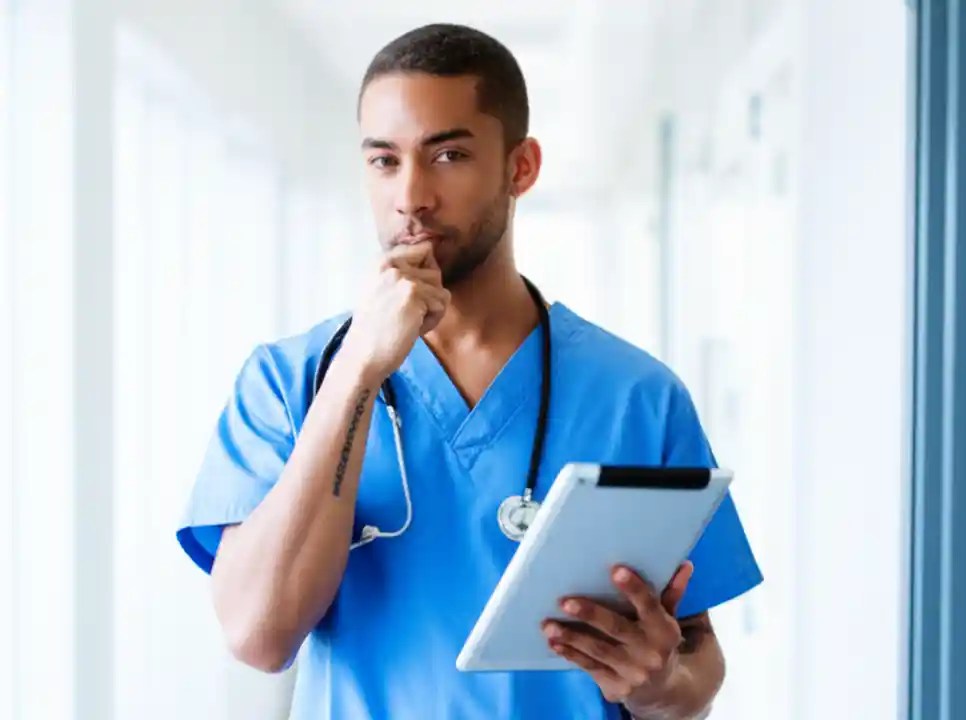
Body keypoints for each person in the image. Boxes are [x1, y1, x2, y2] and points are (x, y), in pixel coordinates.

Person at [176, 22, 762, 720]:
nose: (411, 196)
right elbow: (257, 635)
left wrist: (660, 686)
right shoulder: (291, 382)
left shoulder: (638, 397)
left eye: (447, 154)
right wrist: (359, 371)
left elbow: (698, 656)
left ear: (521, 167)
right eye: (384, 161)